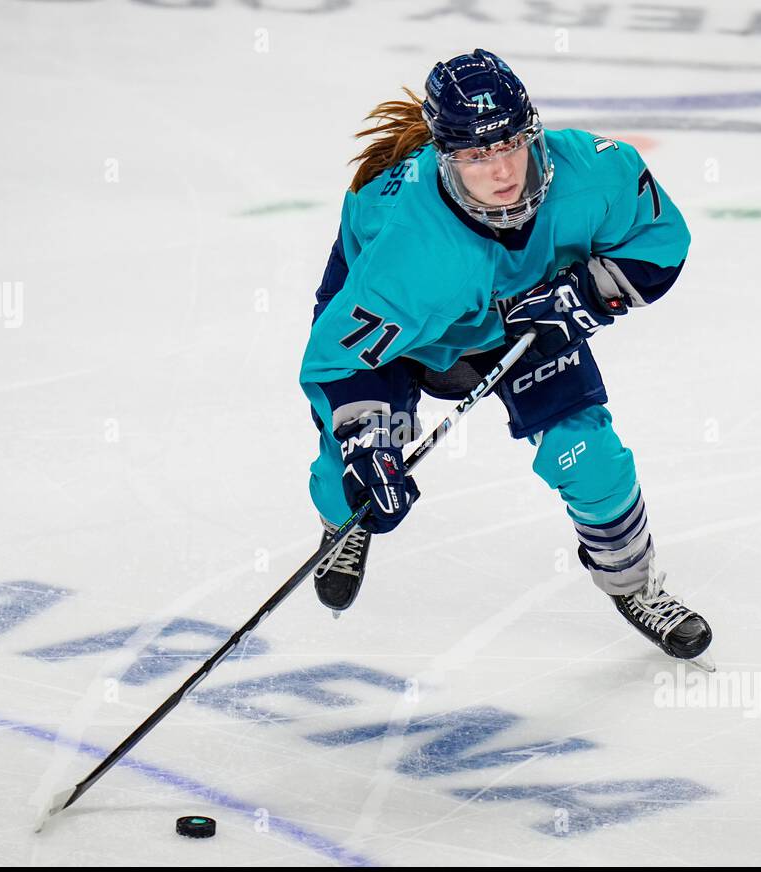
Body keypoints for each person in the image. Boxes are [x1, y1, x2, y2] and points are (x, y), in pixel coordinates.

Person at [298, 49, 711, 663]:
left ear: (531, 128)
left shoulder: (597, 174)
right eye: (475, 154)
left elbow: (659, 242)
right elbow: (341, 361)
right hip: (409, 324)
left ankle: (636, 586)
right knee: (354, 468)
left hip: (523, 313)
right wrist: (368, 441)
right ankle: (342, 524)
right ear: (446, 155)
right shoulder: (408, 251)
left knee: (589, 453)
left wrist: (584, 293)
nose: (500, 170)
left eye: (510, 143)